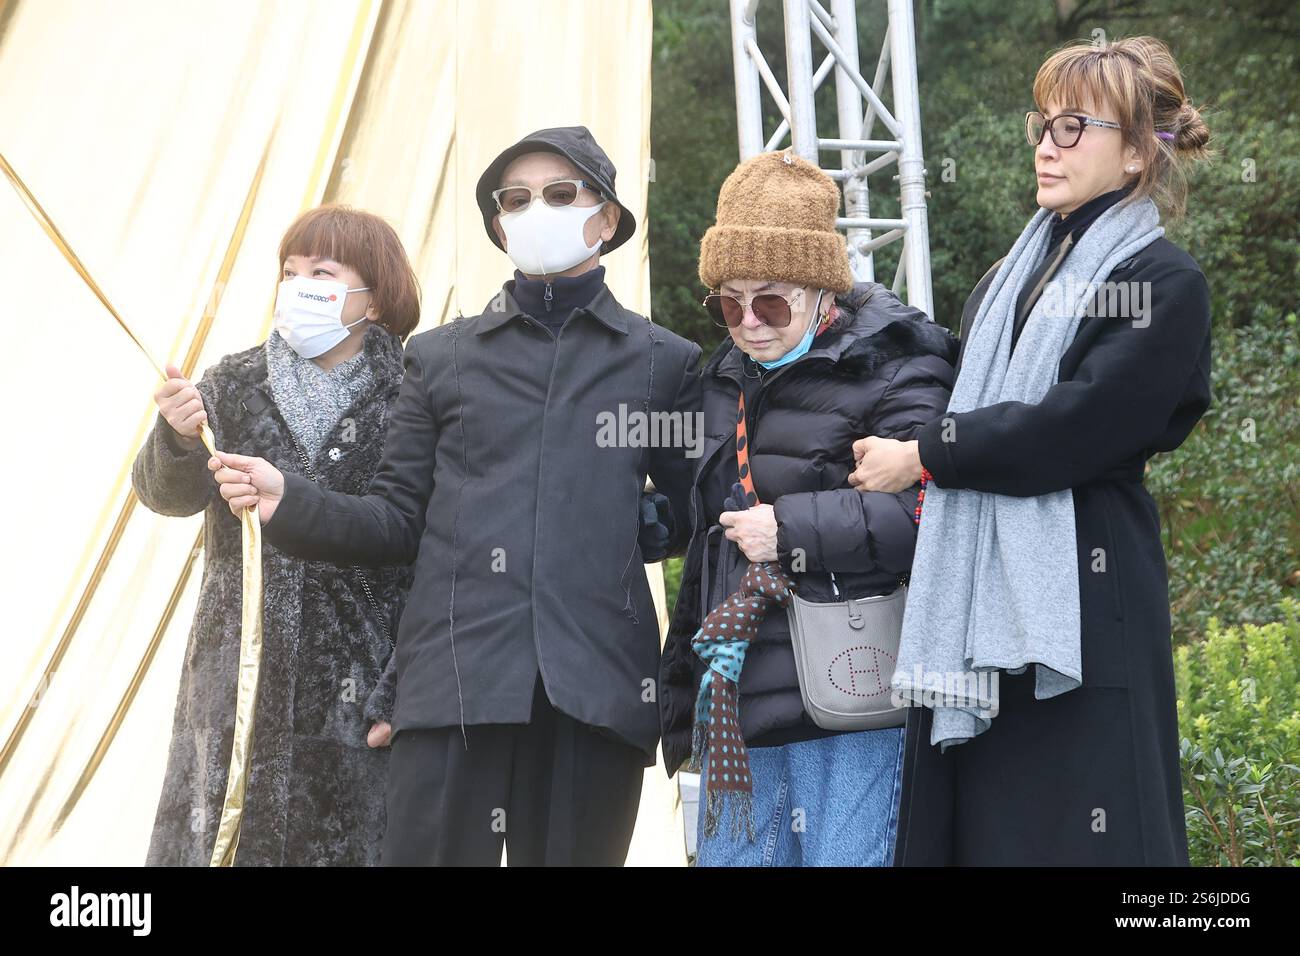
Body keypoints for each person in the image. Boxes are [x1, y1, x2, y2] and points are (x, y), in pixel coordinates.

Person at [208, 126, 703, 866]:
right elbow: (394, 519)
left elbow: (696, 514)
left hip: (595, 689)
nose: (537, 209)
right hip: (454, 686)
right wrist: (292, 499)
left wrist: (632, 522)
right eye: (518, 198)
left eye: (561, 194)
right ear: (499, 225)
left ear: (606, 218)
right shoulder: (442, 356)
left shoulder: (665, 362)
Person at [850, 36, 1213, 865]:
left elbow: (1075, 427)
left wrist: (926, 454)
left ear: (1133, 154)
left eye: (1076, 125)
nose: (1048, 144)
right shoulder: (1009, 275)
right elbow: (946, 374)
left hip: (1084, 604)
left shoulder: (1164, 282)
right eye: (1042, 123)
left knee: (1086, 835)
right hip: (981, 613)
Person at [658, 149, 957, 866]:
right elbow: (702, 540)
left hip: (854, 701)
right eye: (728, 302)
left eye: (770, 300)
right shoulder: (717, 381)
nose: (749, 322)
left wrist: (789, 529)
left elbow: (928, 519)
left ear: (825, 290)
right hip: (738, 702)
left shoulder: (900, 364)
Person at [135, 204, 420, 865]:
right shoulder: (231, 383)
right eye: (288, 272)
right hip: (237, 667)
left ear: (374, 299)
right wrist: (176, 438)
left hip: (361, 672)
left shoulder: (416, 394)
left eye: (320, 272)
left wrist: (408, 677)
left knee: (354, 840)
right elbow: (163, 497)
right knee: (227, 833)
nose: (296, 287)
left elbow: (432, 539)